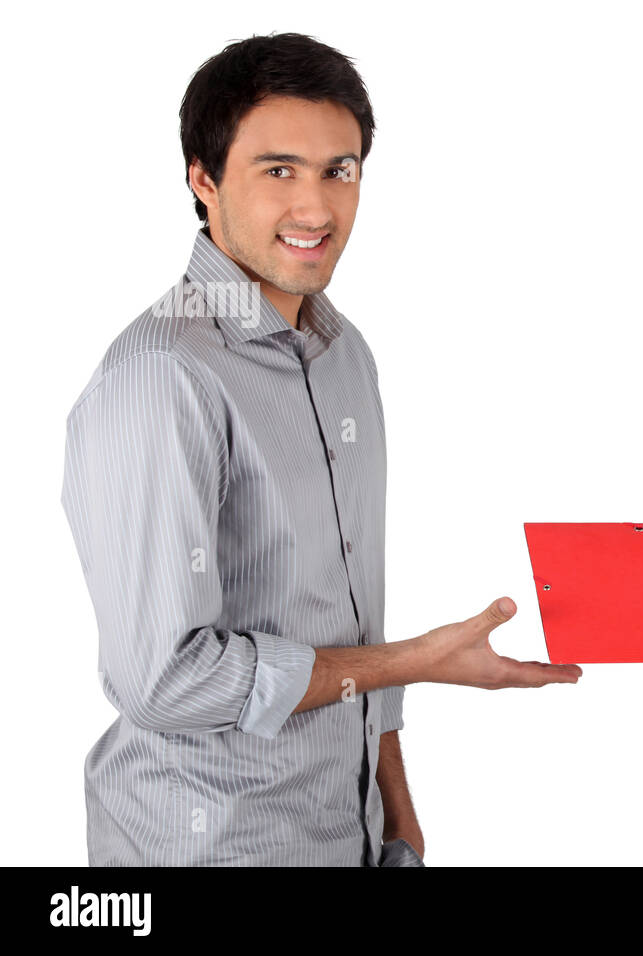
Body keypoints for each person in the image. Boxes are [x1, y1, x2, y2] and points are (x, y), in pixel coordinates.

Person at [59, 32, 580, 867]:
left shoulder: (344, 355)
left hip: (351, 837)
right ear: (202, 179)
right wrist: (422, 660)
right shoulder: (163, 378)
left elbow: (349, 622)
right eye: (278, 171)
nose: (316, 209)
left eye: (339, 170)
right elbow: (165, 682)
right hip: (210, 850)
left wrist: (399, 822)